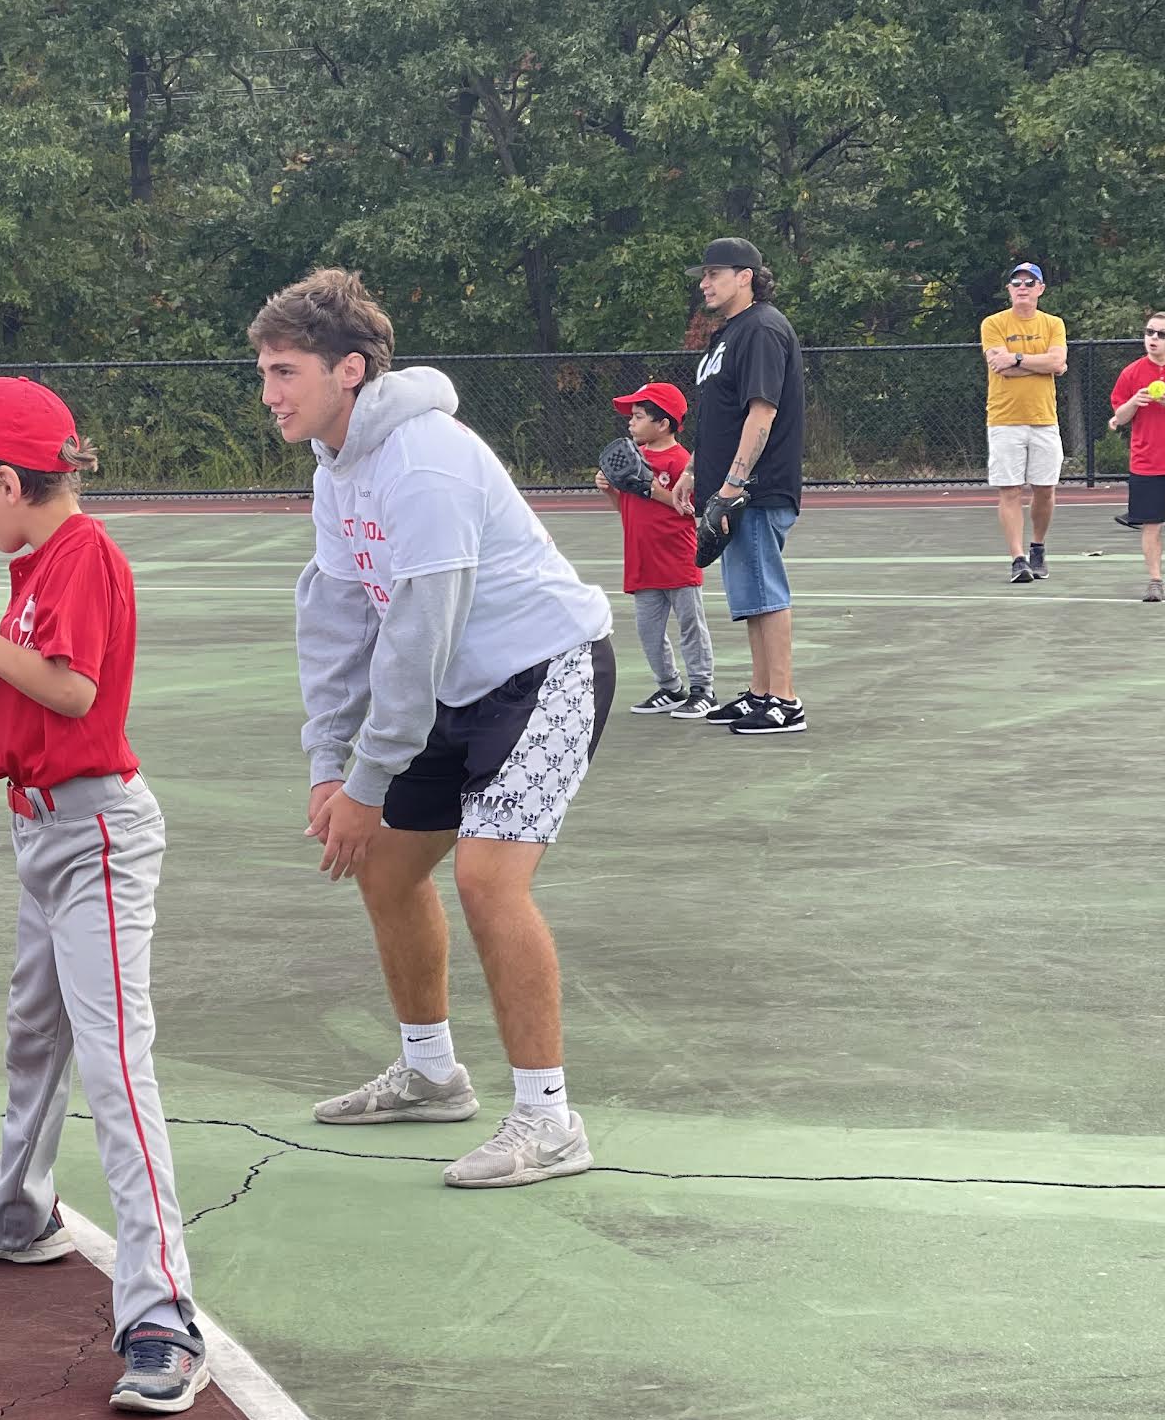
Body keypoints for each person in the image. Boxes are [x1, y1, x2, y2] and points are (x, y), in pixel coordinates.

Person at [0, 376, 207, 1415]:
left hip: (96, 839)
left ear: (12, 479)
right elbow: (29, 700)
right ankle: (18, 1215)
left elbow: (71, 689)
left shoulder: (81, 557)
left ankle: (161, 1318)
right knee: (34, 1031)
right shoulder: (37, 564)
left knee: (116, 1066)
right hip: (45, 826)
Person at [253, 266, 615, 1189]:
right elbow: (338, 621)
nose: (269, 394)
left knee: (490, 879)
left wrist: (369, 781)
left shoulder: (423, 459)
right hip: (451, 690)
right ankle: (430, 1072)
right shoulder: (339, 467)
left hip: (544, 672)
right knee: (386, 865)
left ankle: (549, 1121)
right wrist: (331, 768)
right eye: (264, 373)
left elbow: (418, 633)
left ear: (350, 371)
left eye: (285, 371)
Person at [672, 238, 806, 735]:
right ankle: (761, 691)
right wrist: (692, 469)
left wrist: (733, 483)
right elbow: (719, 416)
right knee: (749, 591)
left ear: (744, 275)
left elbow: (761, 412)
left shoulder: (763, 329)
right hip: (728, 488)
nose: (704, 284)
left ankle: (785, 700)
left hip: (756, 486)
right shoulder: (729, 333)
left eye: (713, 273)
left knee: (765, 588)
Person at [597, 381, 714, 718]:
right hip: (641, 558)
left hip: (677, 557)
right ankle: (670, 687)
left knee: (691, 625)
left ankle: (702, 689)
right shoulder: (634, 459)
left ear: (663, 423)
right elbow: (628, 508)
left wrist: (648, 487)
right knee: (648, 630)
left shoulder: (681, 462)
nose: (630, 422)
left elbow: (689, 508)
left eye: (638, 416)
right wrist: (611, 489)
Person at [980, 262, 1067, 583]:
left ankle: (1038, 548)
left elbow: (1057, 362)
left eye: (1030, 283)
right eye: (1016, 282)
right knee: (1010, 490)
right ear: (1009, 289)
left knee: (1045, 490)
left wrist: (1017, 358)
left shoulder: (1053, 324)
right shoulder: (993, 323)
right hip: (1004, 419)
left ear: (1040, 289)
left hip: (1044, 419)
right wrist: (1042, 364)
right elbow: (999, 366)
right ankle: (1018, 559)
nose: (1023, 287)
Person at [1107, 311, 1165, 602]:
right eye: (1149, 332)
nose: (1153, 338)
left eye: (1161, 334)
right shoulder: (1131, 373)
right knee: (1151, 523)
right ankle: (1155, 581)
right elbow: (1119, 416)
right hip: (1147, 462)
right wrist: (1134, 401)